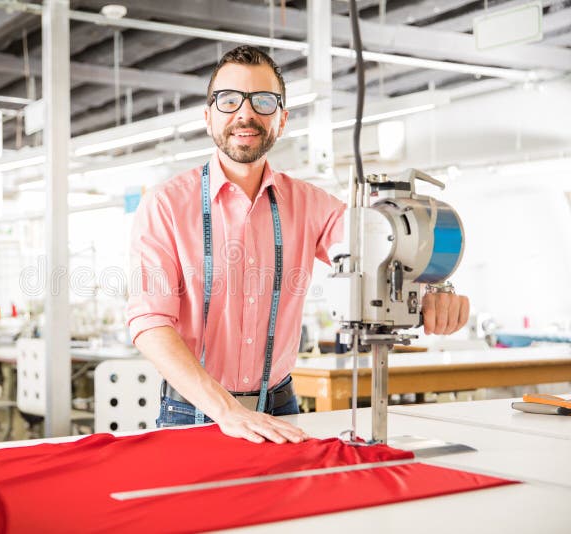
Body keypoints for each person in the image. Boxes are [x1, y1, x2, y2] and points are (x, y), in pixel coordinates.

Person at [126, 46, 469, 444]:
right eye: (229, 100)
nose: (245, 114)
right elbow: (150, 323)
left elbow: (383, 246)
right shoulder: (165, 205)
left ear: (282, 119)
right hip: (192, 411)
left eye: (264, 101)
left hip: (281, 409)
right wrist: (227, 411)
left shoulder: (310, 205)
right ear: (208, 116)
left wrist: (436, 289)